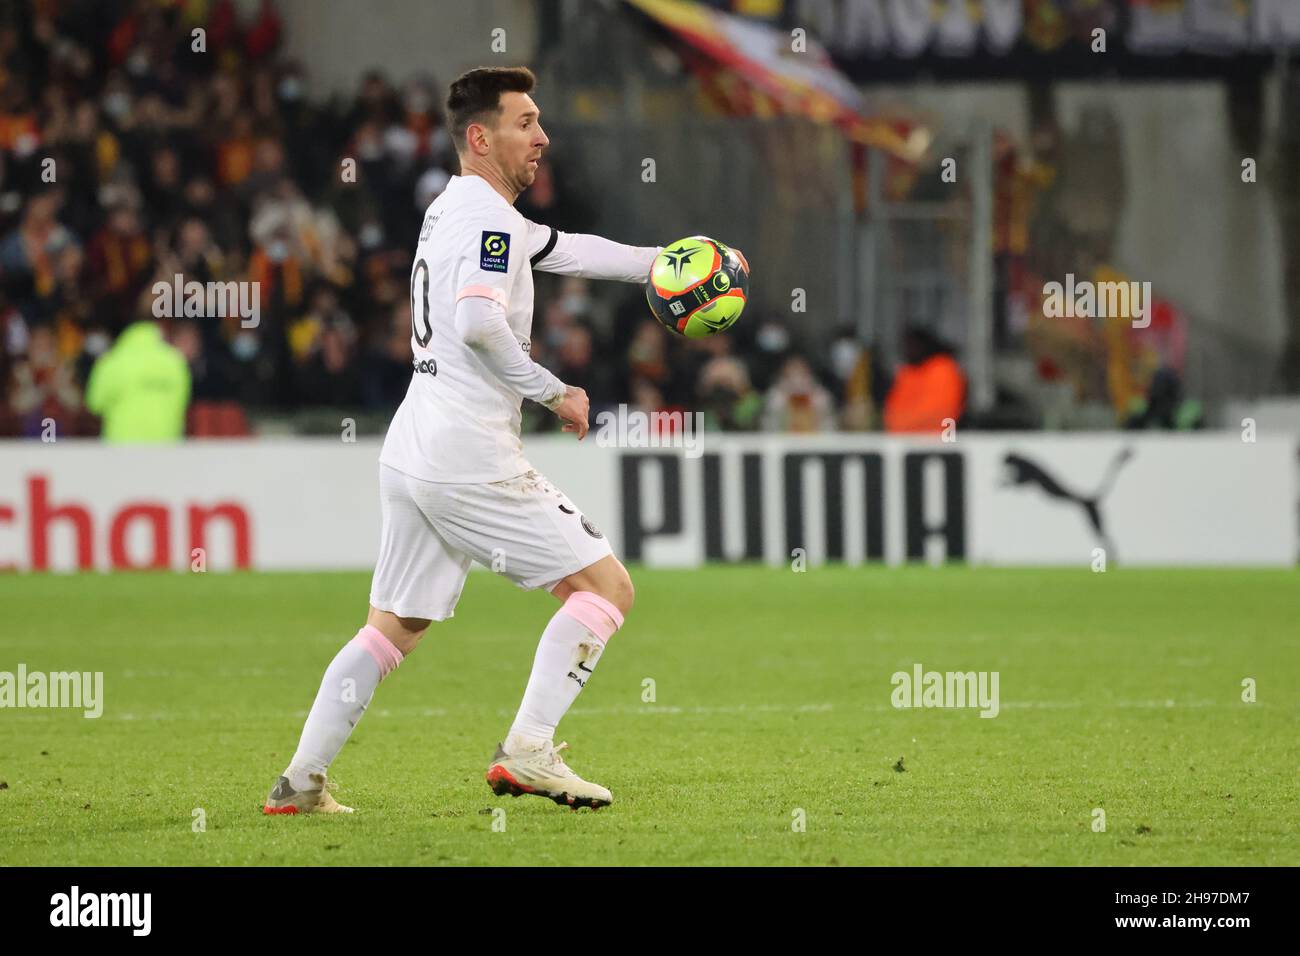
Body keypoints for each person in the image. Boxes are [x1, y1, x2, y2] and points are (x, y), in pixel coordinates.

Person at [264, 66, 748, 814]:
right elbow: (478, 323)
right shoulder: (491, 220)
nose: (543, 137)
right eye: (527, 123)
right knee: (606, 587)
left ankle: (300, 782)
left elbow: (570, 249)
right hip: (466, 454)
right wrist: (556, 392)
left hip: (413, 443)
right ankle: (528, 749)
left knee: (394, 628)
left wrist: (663, 264)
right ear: (481, 137)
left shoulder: (458, 209)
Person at [83, 319, 191, 442]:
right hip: (166, 444)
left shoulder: (111, 361)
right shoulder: (175, 361)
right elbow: (183, 401)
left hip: (120, 443)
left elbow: (94, 403)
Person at [882, 325, 967, 435]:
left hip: (941, 441)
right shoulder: (907, 373)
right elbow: (892, 412)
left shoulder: (943, 368)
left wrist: (903, 422)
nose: (908, 350)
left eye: (913, 345)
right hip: (906, 441)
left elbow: (940, 414)